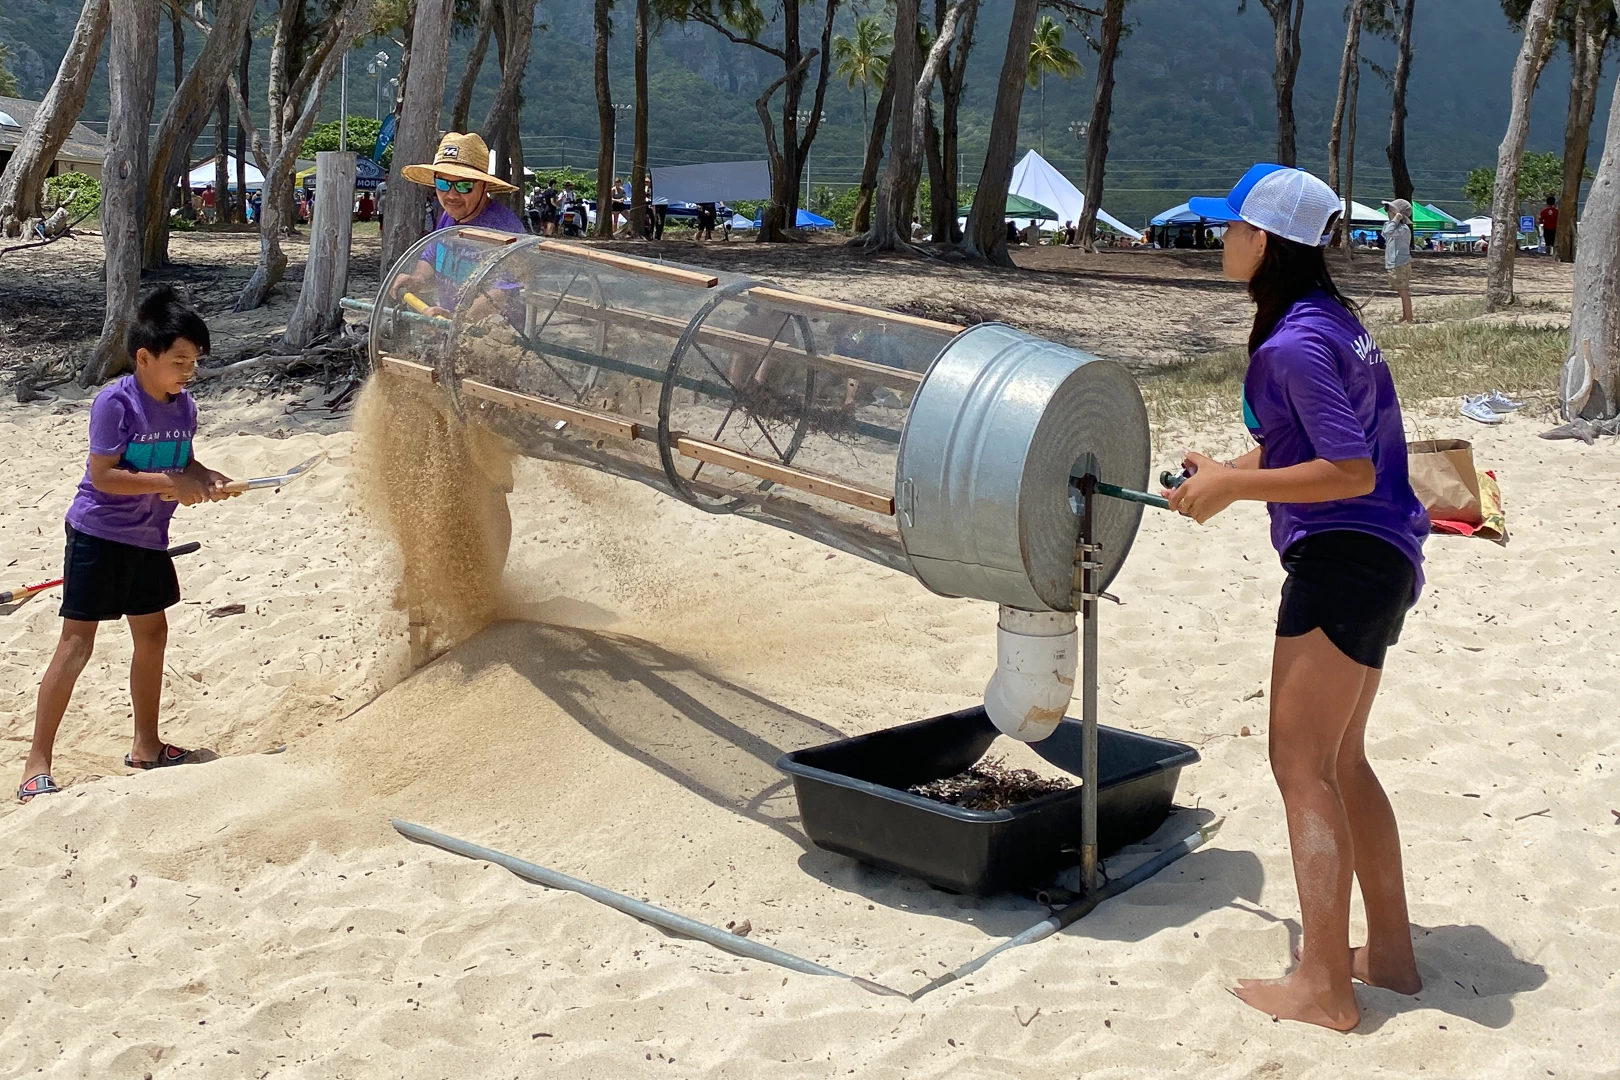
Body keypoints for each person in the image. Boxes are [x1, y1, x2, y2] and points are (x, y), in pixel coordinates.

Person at [1177, 164, 1429, 1031]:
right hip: (1382, 554)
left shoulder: (1292, 342)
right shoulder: (1329, 321)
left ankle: (1324, 985)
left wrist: (1239, 493)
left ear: (1265, 243)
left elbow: (1348, 468)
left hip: (1344, 559)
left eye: (1232, 228)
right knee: (1343, 760)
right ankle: (1388, 956)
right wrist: (1225, 473)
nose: (1223, 240)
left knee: (1299, 766)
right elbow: (1304, 443)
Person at [16, 288, 239, 804]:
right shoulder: (114, 402)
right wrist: (169, 480)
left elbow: (184, 462)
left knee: (154, 633)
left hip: (149, 538)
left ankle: (146, 745)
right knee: (77, 644)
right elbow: (105, 476)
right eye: (179, 360)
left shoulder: (184, 406)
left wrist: (204, 477)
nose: (189, 371)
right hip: (98, 534)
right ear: (144, 358)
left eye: (195, 362)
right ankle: (36, 763)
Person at [389, 131, 526, 319]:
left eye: (464, 186)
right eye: (443, 184)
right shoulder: (449, 216)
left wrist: (455, 321)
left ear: (484, 186)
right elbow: (431, 258)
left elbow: (500, 293)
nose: (452, 195)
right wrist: (417, 280)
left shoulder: (505, 230)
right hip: (453, 327)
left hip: (496, 334)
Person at [1382, 198, 1414, 324]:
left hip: (1399, 263)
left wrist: (1396, 219)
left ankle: (1409, 317)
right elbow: (1386, 231)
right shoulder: (1392, 226)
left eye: (1390, 209)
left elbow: (1388, 231)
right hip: (1395, 263)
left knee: (1403, 291)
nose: (1387, 211)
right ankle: (1406, 316)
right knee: (1401, 291)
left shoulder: (1403, 229)